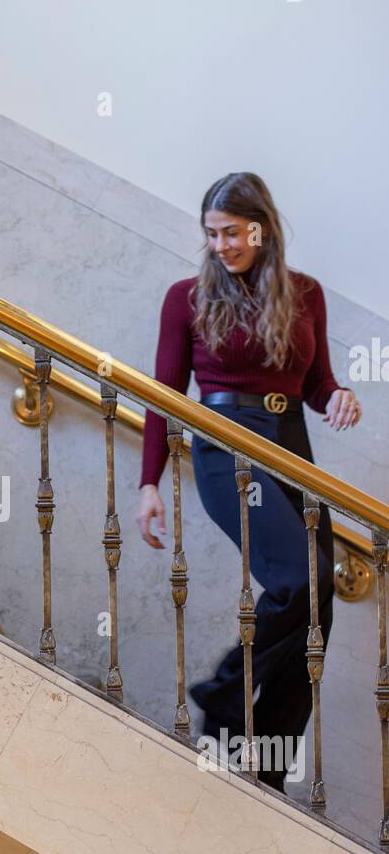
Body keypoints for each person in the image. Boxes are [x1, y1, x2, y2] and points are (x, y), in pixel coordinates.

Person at [136, 172, 362, 791]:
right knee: (299, 579)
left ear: (262, 227)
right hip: (226, 446)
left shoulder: (305, 294)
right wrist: (149, 481)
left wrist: (338, 395)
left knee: (321, 602)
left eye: (232, 232)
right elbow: (163, 395)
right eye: (211, 234)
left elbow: (314, 382)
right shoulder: (186, 297)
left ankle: (267, 763)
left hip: (292, 447)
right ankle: (224, 693)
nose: (221, 245)